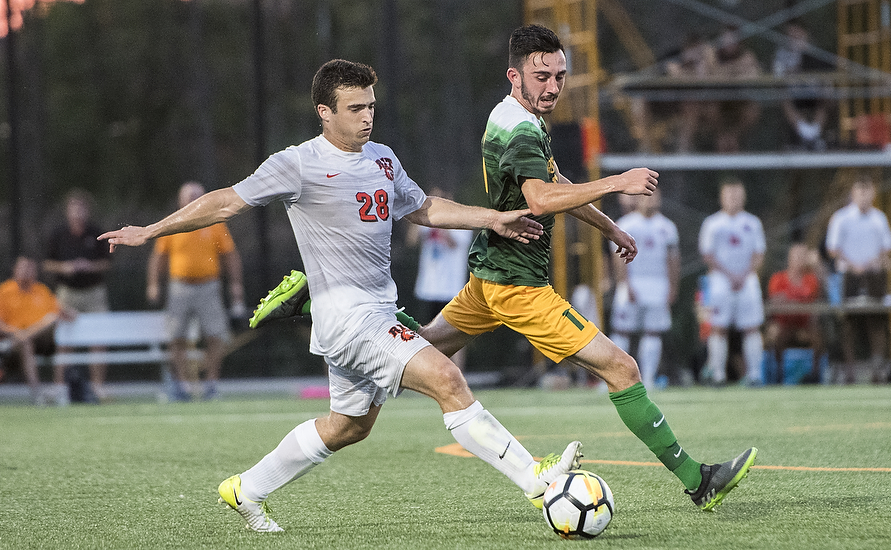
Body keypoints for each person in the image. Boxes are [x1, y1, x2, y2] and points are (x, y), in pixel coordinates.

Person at [250, 25, 757, 513]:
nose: (553, 87)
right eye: (542, 77)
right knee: (622, 369)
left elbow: (553, 180)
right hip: (517, 286)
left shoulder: (516, 116)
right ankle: (697, 480)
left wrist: (609, 228)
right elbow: (540, 198)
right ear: (514, 75)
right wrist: (615, 182)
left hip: (488, 276)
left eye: (559, 76)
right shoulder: (517, 129)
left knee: (405, 365)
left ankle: (316, 304)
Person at [100, 59, 583, 533]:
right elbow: (225, 201)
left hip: (375, 311)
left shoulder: (383, 157)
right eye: (355, 108)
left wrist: (492, 217)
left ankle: (247, 489)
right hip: (348, 319)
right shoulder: (298, 163)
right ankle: (536, 480)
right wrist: (151, 231)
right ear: (324, 112)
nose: (367, 117)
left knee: (349, 426)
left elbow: (423, 208)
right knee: (446, 377)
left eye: (371, 106)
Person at [147, 181, 246, 401]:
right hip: (179, 287)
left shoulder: (215, 223)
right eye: (189, 196)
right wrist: (153, 284)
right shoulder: (173, 222)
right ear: (181, 200)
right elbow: (159, 257)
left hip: (208, 287)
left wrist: (236, 286)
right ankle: (182, 386)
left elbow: (230, 255)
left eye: (197, 196)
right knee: (176, 337)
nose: (193, 200)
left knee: (215, 335)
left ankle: (210, 384)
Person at [42, 189, 112, 402]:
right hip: (67, 293)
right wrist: (65, 267)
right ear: (67, 211)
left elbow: (108, 263)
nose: (78, 212)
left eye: (82, 208)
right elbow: (47, 263)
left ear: (87, 210)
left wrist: (89, 266)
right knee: (64, 341)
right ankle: (59, 387)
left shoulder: (96, 233)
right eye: (74, 208)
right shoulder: (58, 234)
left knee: (98, 341)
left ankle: (98, 387)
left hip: (93, 293)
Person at [825, 174, 891, 384]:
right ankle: (850, 371)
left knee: (876, 322)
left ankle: (877, 368)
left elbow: (888, 246)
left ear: (873, 193)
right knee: (848, 324)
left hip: (873, 275)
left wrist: (871, 262)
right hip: (849, 276)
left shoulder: (879, 218)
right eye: (859, 191)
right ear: (853, 194)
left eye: (867, 191)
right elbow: (832, 248)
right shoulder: (841, 218)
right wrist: (855, 265)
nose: (864, 196)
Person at [699, 178, 767, 386]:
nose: (733, 199)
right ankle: (718, 375)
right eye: (729, 195)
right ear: (722, 197)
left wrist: (744, 274)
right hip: (721, 280)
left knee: (752, 327)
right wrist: (730, 275)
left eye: (737, 195)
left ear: (743, 196)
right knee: (719, 327)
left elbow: (759, 253)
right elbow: (707, 255)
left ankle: (755, 375)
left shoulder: (752, 223)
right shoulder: (712, 223)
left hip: (746, 280)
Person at [609, 193, 680, 390]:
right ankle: (615, 379)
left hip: (658, 285)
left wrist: (672, 286)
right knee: (621, 330)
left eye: (654, 196)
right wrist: (624, 283)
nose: (649, 200)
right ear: (637, 199)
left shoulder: (667, 227)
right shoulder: (626, 224)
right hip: (632, 284)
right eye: (645, 197)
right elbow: (617, 256)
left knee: (653, 332)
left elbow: (673, 259)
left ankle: (647, 378)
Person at [406, 186, 474, 369]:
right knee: (428, 330)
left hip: (450, 287)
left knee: (454, 332)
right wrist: (417, 213)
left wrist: (440, 219)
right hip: (430, 286)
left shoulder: (461, 221)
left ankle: (458, 371)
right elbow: (411, 241)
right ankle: (433, 371)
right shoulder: (427, 222)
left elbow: (453, 244)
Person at [0, 256, 75, 405]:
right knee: (26, 344)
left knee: (51, 318)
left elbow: (59, 311)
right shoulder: (4, 291)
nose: (26, 271)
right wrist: (15, 333)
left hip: (43, 343)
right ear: (15, 270)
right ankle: (38, 395)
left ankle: (56, 390)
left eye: (30, 268)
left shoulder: (42, 290)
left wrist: (69, 312)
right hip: (13, 343)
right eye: (23, 268)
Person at [765, 243, 823, 383]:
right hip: (783, 323)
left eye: (803, 256)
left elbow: (815, 302)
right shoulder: (778, 278)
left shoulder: (811, 279)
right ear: (790, 258)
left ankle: (814, 375)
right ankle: (778, 376)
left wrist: (816, 266)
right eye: (797, 256)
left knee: (818, 338)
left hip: (804, 325)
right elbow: (775, 302)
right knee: (777, 336)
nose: (800, 259)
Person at [772, 21, 833, 151]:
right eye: (790, 34)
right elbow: (777, 76)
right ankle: (805, 134)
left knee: (826, 94)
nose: (794, 36)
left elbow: (826, 71)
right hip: (794, 93)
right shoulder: (782, 54)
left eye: (797, 32)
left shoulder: (816, 51)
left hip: (814, 92)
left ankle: (814, 135)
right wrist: (793, 69)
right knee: (784, 97)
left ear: (805, 33)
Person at [711, 25, 762, 152]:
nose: (729, 44)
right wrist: (736, 70)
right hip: (717, 99)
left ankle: (733, 137)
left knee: (752, 111)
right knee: (710, 110)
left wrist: (727, 72)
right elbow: (712, 74)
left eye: (732, 41)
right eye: (725, 40)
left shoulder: (747, 55)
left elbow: (754, 74)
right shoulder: (713, 55)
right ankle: (722, 138)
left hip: (740, 99)